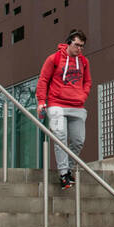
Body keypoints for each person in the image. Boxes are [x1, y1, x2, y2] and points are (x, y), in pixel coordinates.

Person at [36, 29, 91, 190]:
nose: (79, 49)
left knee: (78, 141)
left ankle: (68, 169)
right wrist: (41, 101)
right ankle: (63, 174)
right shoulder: (54, 59)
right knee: (61, 137)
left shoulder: (84, 62)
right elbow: (43, 80)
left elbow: (88, 81)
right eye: (77, 45)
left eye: (82, 46)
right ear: (68, 43)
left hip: (77, 106)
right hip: (56, 105)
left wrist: (83, 94)